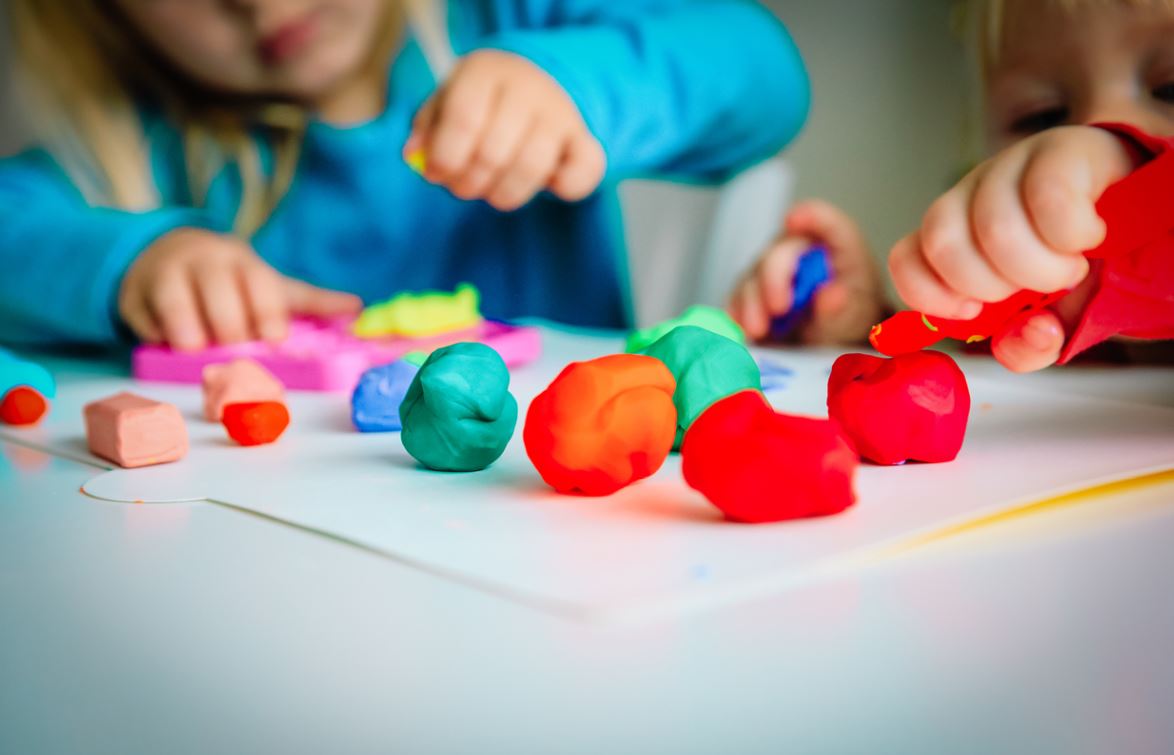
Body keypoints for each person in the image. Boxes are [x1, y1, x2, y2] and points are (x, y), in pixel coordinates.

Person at [0, 0, 810, 349]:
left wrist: (578, 87)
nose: (258, 1)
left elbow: (768, 77)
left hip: (559, 520)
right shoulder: (142, 150)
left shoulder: (505, 17)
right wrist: (130, 265)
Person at [735, 0, 1174, 370]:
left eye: (1170, 89)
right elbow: (939, 381)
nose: (1096, 125)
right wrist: (857, 324)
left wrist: (1137, 166)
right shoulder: (1007, 322)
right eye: (1042, 116)